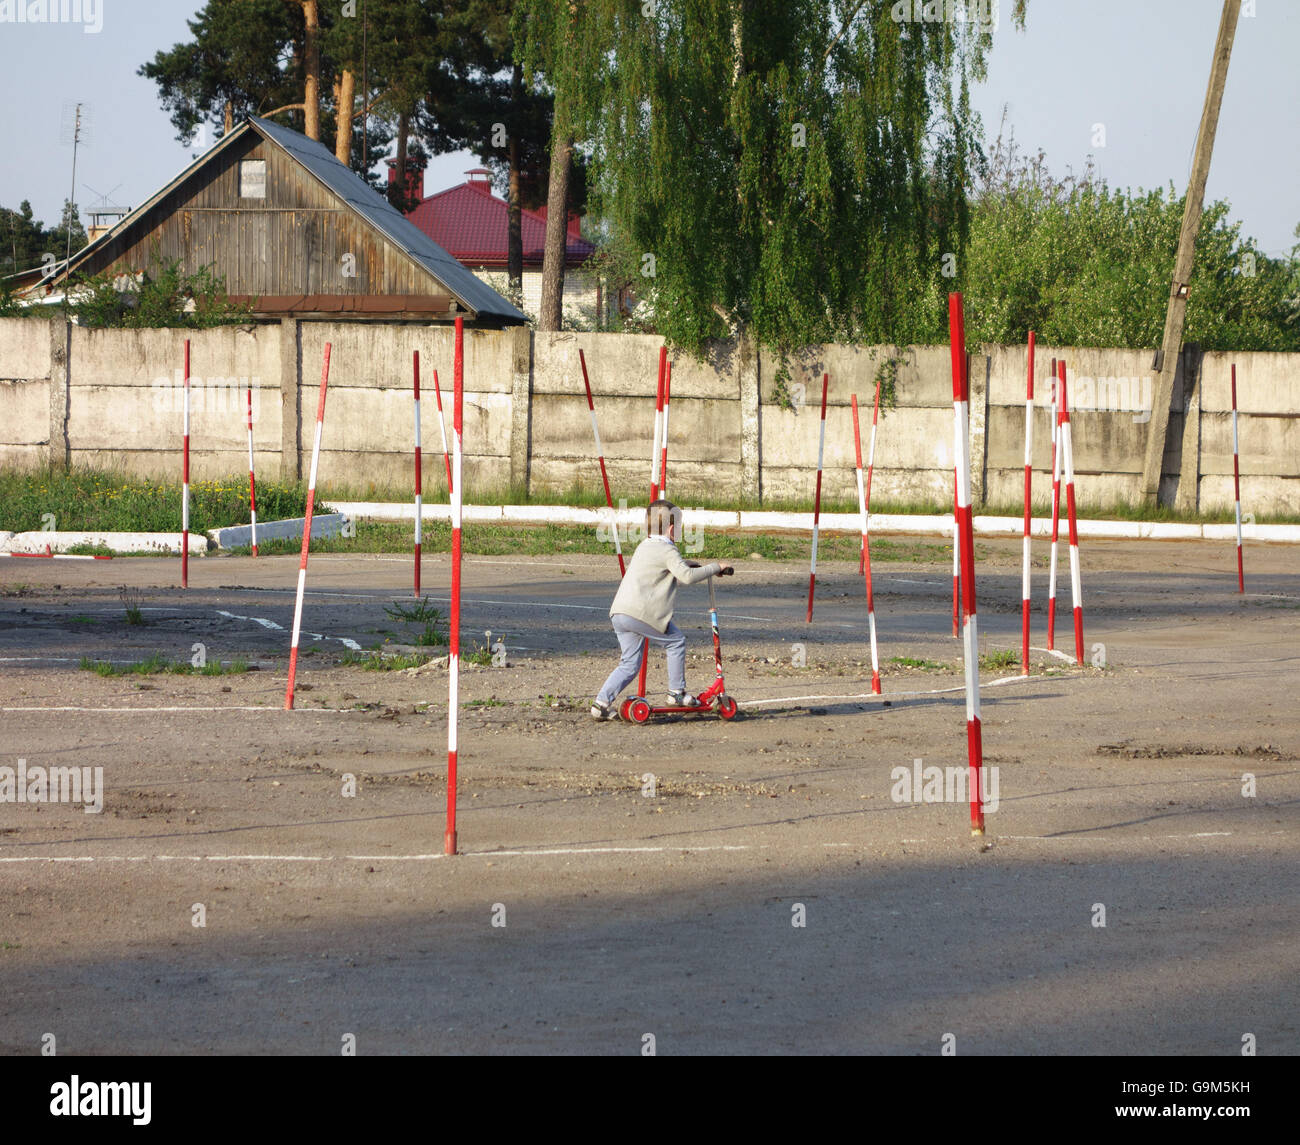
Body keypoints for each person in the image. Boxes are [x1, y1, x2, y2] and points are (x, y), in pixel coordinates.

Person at [591, 499, 733, 720]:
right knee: (676, 641)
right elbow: (685, 576)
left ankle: (600, 704)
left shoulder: (646, 545)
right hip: (641, 614)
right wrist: (715, 567)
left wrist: (692, 565)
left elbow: (671, 566)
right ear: (671, 529)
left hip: (621, 612)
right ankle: (676, 692)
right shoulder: (667, 549)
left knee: (629, 664)